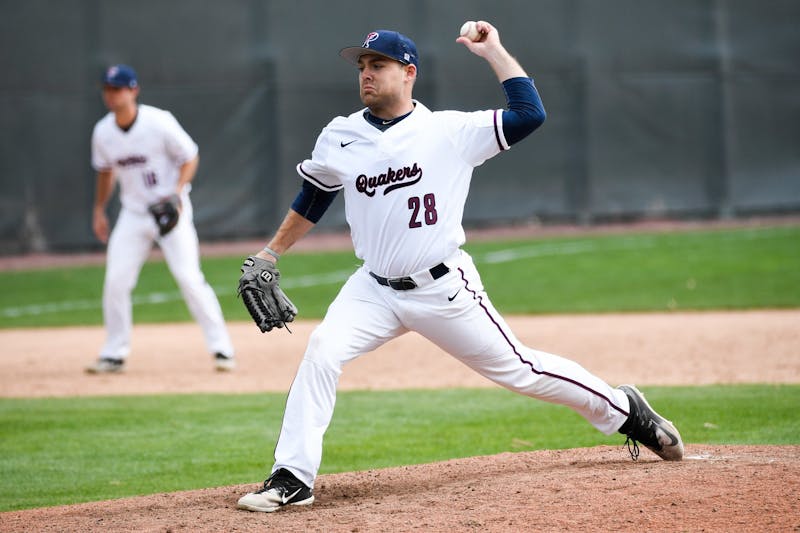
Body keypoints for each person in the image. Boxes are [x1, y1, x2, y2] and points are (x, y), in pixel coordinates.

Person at [237, 23, 683, 513]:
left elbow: (529, 114)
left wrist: (493, 51)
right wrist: (270, 252)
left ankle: (625, 410)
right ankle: (292, 477)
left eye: (377, 65)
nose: (366, 74)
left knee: (523, 371)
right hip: (373, 289)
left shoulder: (449, 131)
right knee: (322, 350)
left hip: (442, 288)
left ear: (408, 73)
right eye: (362, 66)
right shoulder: (340, 136)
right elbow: (315, 194)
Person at [86, 64, 235, 373]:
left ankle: (222, 348)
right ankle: (114, 352)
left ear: (133, 90)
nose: (112, 95)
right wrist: (100, 208)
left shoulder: (158, 122)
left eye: (118, 88)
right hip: (134, 213)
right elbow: (105, 171)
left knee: (189, 278)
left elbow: (190, 156)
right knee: (115, 281)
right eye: (108, 89)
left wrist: (178, 192)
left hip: (171, 210)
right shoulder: (103, 132)